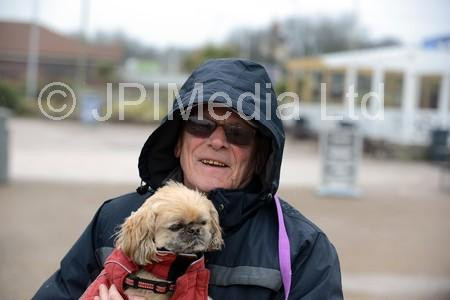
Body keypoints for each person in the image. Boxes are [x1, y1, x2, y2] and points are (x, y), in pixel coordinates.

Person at [33, 58, 343, 300]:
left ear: (260, 155)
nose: (217, 141)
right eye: (200, 124)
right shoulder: (113, 220)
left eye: (238, 133)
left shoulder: (301, 249)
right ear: (177, 141)